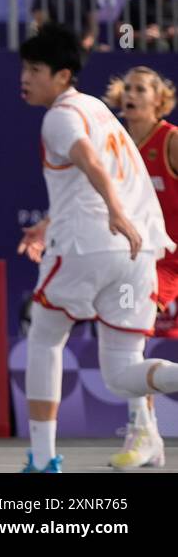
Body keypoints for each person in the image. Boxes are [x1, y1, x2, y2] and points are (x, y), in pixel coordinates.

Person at [14, 26, 178, 472]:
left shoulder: (61, 116)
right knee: (123, 373)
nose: (24, 78)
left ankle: (44, 460)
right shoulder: (101, 111)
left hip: (90, 245)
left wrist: (114, 212)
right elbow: (95, 172)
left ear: (63, 75)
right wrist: (47, 224)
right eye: (24, 68)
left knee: (45, 337)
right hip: (138, 255)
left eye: (35, 70)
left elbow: (87, 159)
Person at [102, 66, 178, 467]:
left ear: (158, 100)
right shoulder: (114, 144)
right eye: (126, 88)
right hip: (139, 259)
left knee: (127, 337)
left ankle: (145, 435)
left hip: (171, 259)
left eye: (141, 90)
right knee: (127, 339)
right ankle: (146, 435)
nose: (131, 94)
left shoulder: (172, 141)